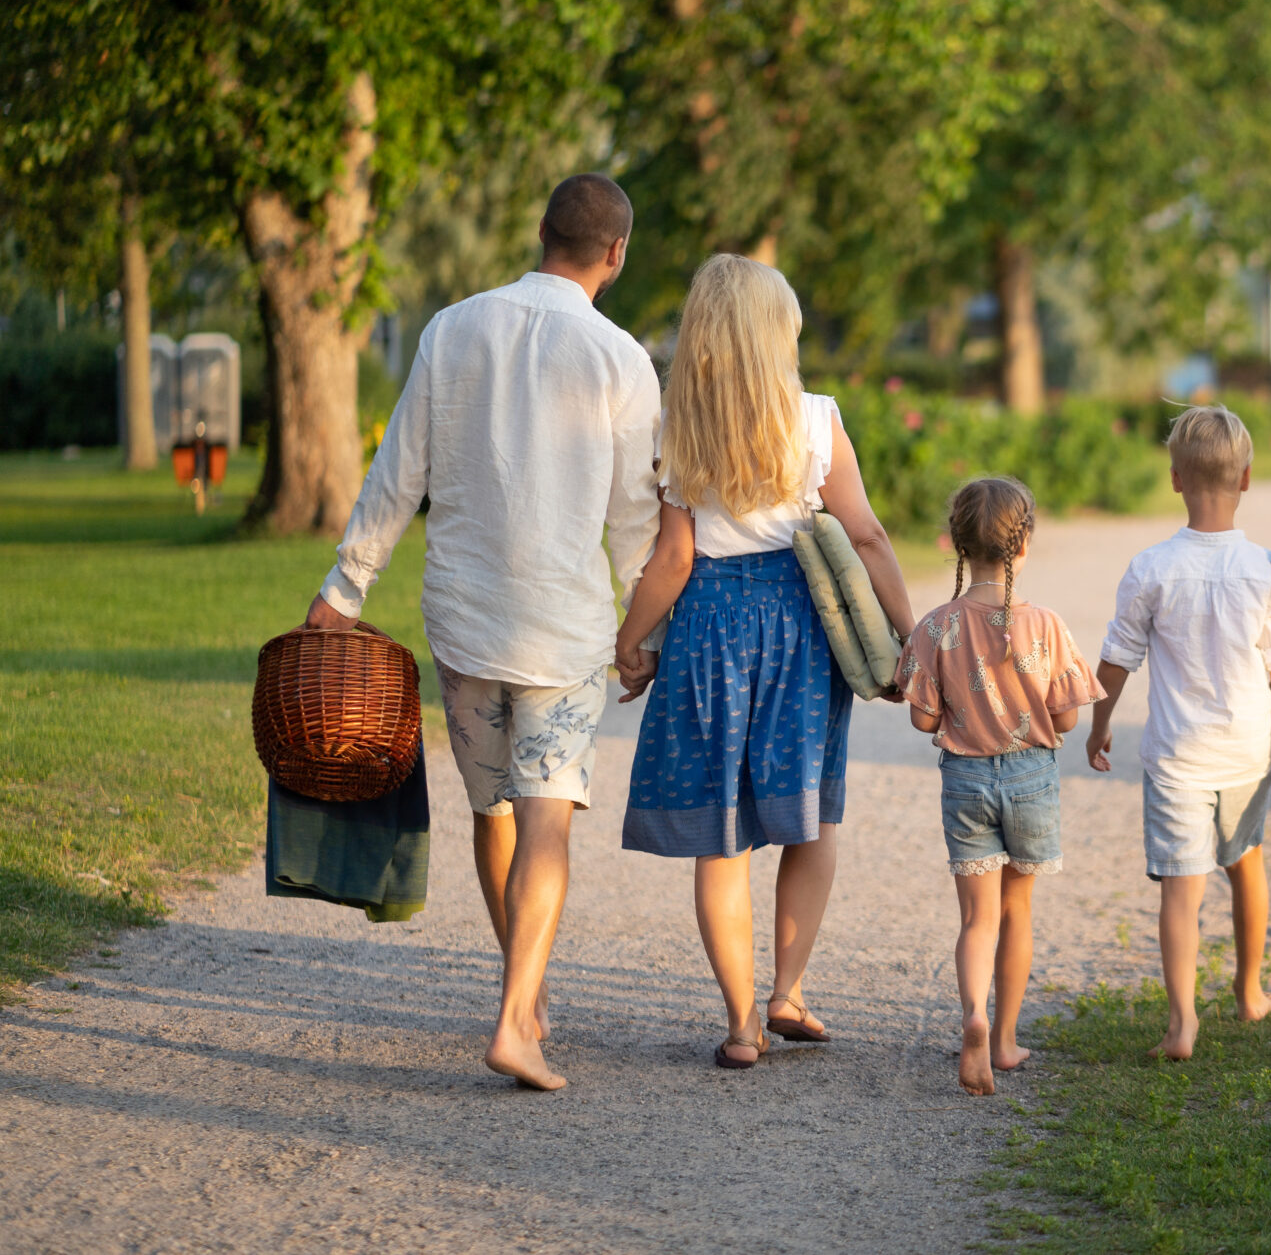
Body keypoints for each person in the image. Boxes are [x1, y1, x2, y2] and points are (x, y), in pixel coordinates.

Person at [306, 173, 656, 1091]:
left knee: (491, 809)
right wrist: (643, 629)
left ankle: (524, 994)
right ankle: (516, 1016)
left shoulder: (452, 327)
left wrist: (345, 588)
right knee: (548, 820)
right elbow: (636, 522)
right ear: (615, 255)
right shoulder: (620, 358)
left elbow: (398, 471)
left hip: (464, 625)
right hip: (563, 630)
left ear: (540, 233)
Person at [615, 254, 913, 1070]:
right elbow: (866, 535)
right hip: (799, 626)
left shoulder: (681, 429)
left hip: (710, 624)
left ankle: (743, 1022)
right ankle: (788, 989)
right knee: (808, 812)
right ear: (777, 333)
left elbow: (673, 559)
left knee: (724, 835)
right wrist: (906, 632)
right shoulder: (817, 419)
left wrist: (631, 638)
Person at [1085, 405, 1271, 1061]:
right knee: (1247, 864)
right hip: (1245, 751)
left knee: (1183, 888)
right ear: (1246, 479)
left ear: (1175, 477)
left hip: (1176, 757)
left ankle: (1182, 1023)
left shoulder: (1151, 567)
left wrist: (1099, 725)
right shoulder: (1267, 571)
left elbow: (1116, 657)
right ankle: (1249, 989)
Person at [893, 477, 1104, 1095]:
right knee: (1018, 912)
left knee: (976, 920)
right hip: (1032, 775)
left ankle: (973, 1018)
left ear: (958, 546)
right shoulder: (1045, 625)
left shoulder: (934, 628)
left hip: (965, 780)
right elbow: (1066, 717)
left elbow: (922, 719)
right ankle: (1006, 1040)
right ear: (1025, 544)